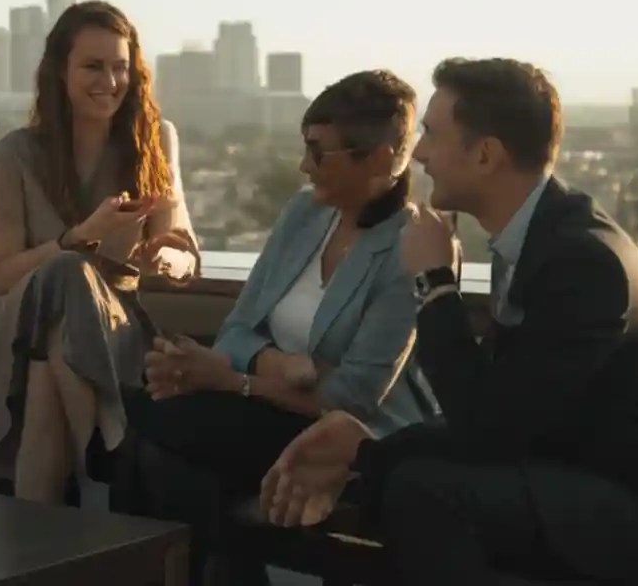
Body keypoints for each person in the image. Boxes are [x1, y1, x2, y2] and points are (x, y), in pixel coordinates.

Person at [263, 57, 638, 584]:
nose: (418, 155)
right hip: (574, 471)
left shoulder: (584, 259)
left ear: (486, 155)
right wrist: (365, 451)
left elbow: (491, 428)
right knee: (392, 482)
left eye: (433, 135)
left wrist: (434, 284)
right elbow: (502, 408)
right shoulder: (534, 236)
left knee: (421, 490)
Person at [113, 69, 440, 584]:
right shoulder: (304, 214)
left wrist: (233, 380)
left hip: (348, 434)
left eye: (319, 152)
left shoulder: (413, 249)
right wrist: (282, 366)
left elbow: (351, 398)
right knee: (155, 437)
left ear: (380, 159)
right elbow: (238, 329)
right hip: (271, 405)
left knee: (149, 429)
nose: (303, 166)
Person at [0, 0, 199, 503]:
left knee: (51, 374)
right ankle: (113, 442)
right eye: (93, 67)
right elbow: (3, 276)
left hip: (108, 323)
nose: (110, 81)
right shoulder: (15, 154)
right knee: (69, 271)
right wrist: (79, 237)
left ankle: (52, 545)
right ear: (61, 72)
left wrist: (162, 257)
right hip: (15, 319)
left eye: (120, 67)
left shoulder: (155, 141)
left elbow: (186, 256)